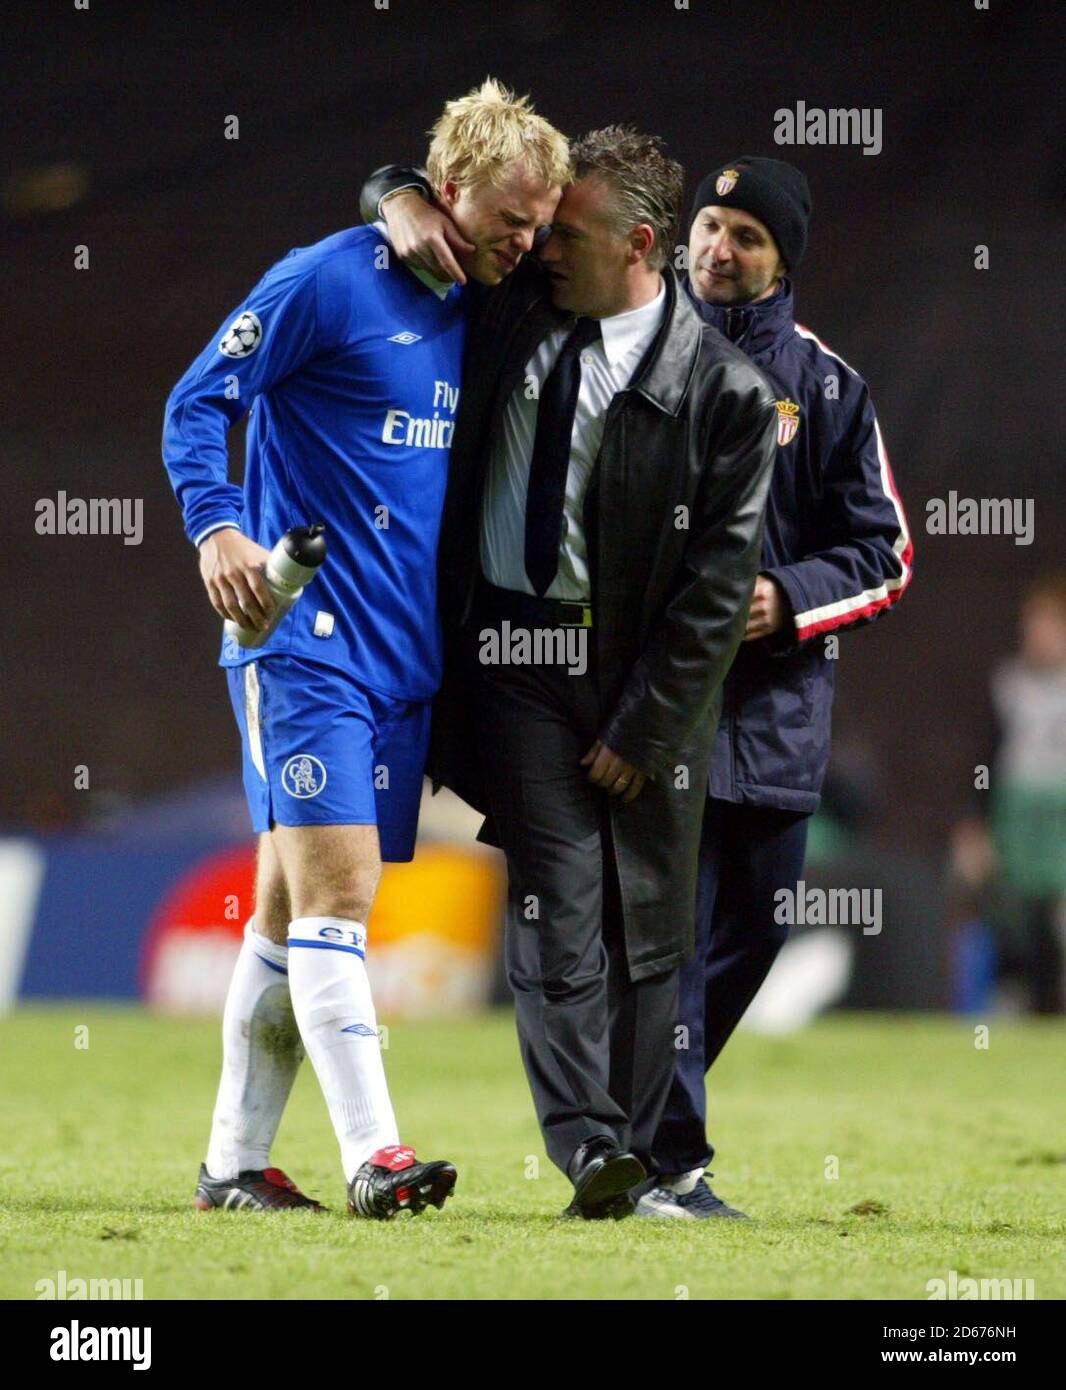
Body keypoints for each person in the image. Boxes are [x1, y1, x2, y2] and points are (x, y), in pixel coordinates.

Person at [161, 79, 567, 1216]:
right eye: (509, 218)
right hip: (304, 640)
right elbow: (197, 400)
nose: (524, 242)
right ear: (448, 192)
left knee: (290, 915)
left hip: (405, 662)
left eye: (537, 225)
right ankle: (375, 1157)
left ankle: (232, 1167)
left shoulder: (480, 299)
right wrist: (217, 524)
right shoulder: (324, 282)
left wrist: (406, 200)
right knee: (342, 897)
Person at [364, 127, 778, 1218]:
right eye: (542, 229)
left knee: (648, 925)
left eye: (572, 235)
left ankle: (644, 1153)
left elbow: (716, 586)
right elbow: (429, 200)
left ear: (640, 245)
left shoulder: (726, 394)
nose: (545, 248)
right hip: (517, 660)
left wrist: (646, 729)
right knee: (556, 897)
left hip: (640, 677)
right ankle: (593, 1148)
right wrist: (393, 194)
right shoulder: (511, 308)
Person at [638, 157, 914, 1218]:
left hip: (775, 728)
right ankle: (668, 1165)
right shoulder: (634, 354)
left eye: (746, 234)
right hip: (655, 721)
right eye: (709, 225)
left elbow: (882, 553)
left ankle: (633, 1132)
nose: (718, 247)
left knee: (748, 940)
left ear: (781, 258)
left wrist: (786, 599)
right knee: (662, 947)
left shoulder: (830, 388)